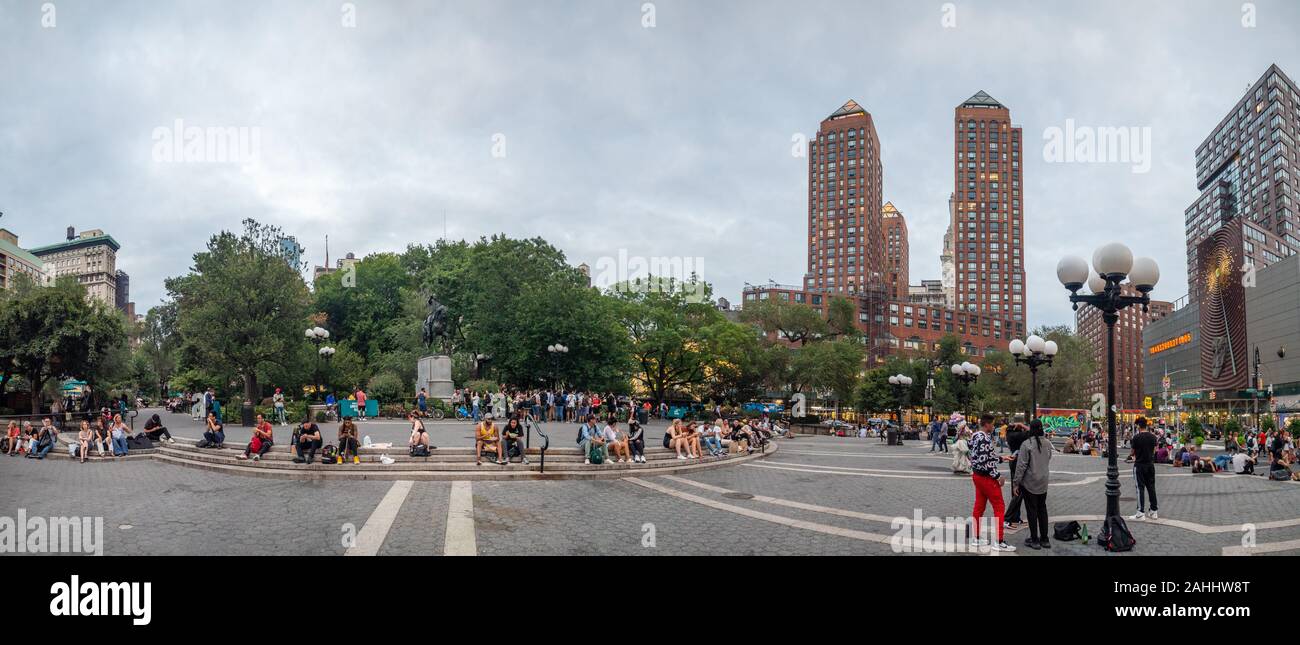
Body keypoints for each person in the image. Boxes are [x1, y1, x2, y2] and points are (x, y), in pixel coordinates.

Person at [969, 414, 1015, 552]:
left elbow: (984, 457)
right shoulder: (985, 439)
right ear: (987, 424)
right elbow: (985, 461)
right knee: (999, 506)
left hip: (977, 475)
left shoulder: (975, 436)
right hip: (986, 477)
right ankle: (999, 541)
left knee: (979, 506)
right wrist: (997, 476)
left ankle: (976, 537)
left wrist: (1002, 458)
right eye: (992, 424)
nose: (993, 426)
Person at [1013, 419, 1052, 550]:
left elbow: (1021, 465)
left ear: (1031, 428)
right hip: (1043, 481)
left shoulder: (1026, 444)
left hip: (1030, 482)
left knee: (1032, 511)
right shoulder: (1047, 443)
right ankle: (1045, 539)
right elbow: (1048, 458)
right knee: (1042, 509)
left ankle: (1034, 539)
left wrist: (1016, 483)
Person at [1128, 417, 1159, 520]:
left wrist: (1135, 454)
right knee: (1151, 488)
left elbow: (1132, 452)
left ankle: (1140, 512)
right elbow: (1155, 450)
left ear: (1138, 426)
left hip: (1140, 465)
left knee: (1139, 488)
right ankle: (1154, 511)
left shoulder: (1136, 438)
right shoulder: (1153, 437)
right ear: (1146, 425)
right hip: (1150, 465)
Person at [1003, 422, 1029, 530]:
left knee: (1015, 489)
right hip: (1018, 462)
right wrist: (1023, 425)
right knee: (1019, 491)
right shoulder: (1016, 435)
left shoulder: (1010, 435)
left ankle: (1015, 517)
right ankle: (1007, 518)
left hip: (1014, 460)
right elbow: (1033, 432)